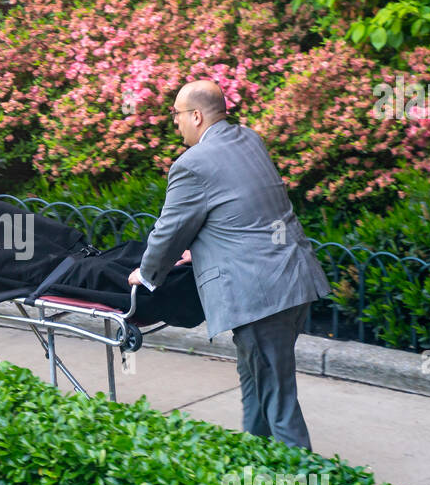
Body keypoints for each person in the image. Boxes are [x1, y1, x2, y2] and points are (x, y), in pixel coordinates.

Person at [127, 80, 329, 451]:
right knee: (256, 384)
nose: (175, 123)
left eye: (177, 115)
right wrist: (201, 250)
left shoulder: (192, 164)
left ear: (197, 116)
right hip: (293, 280)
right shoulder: (249, 140)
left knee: (277, 399)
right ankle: (255, 462)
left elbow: (170, 229)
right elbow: (241, 214)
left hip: (259, 296)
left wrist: (148, 274)